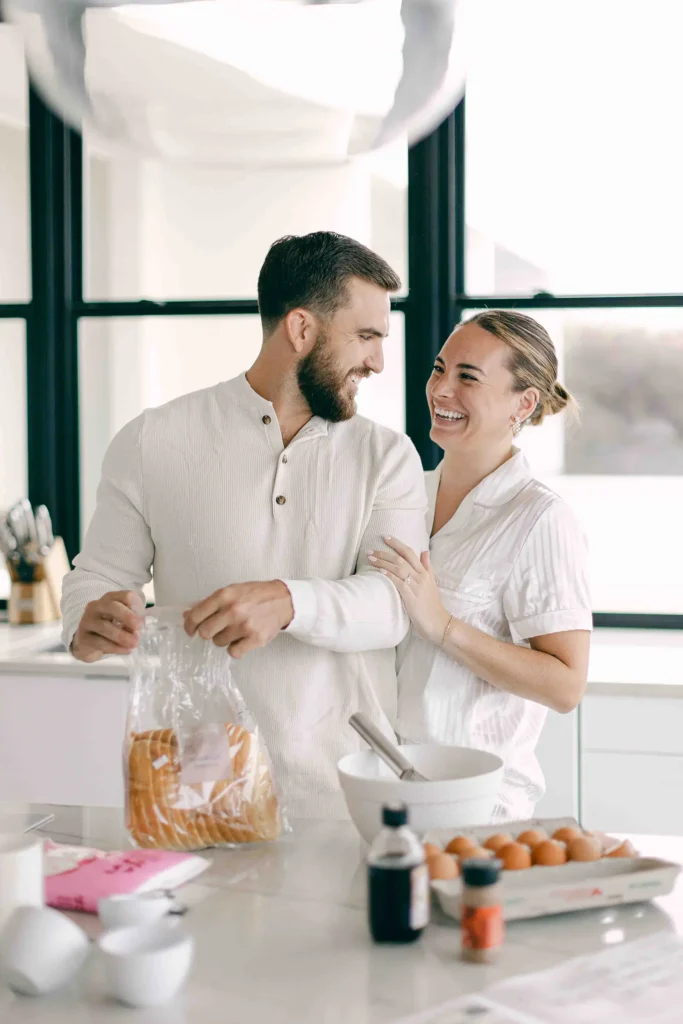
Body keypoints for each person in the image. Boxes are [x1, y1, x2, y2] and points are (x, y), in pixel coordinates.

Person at [62, 231, 428, 819]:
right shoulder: (152, 440)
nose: (379, 361)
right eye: (366, 336)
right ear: (302, 329)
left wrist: (288, 602)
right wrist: (87, 619)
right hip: (200, 785)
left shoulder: (387, 457)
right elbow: (97, 575)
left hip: (344, 791)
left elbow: (393, 606)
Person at [367, 310, 592, 821]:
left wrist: (442, 625)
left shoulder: (540, 519)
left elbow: (565, 686)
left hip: (476, 807)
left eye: (467, 376)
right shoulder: (403, 498)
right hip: (381, 787)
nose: (441, 389)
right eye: (439, 369)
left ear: (525, 402)